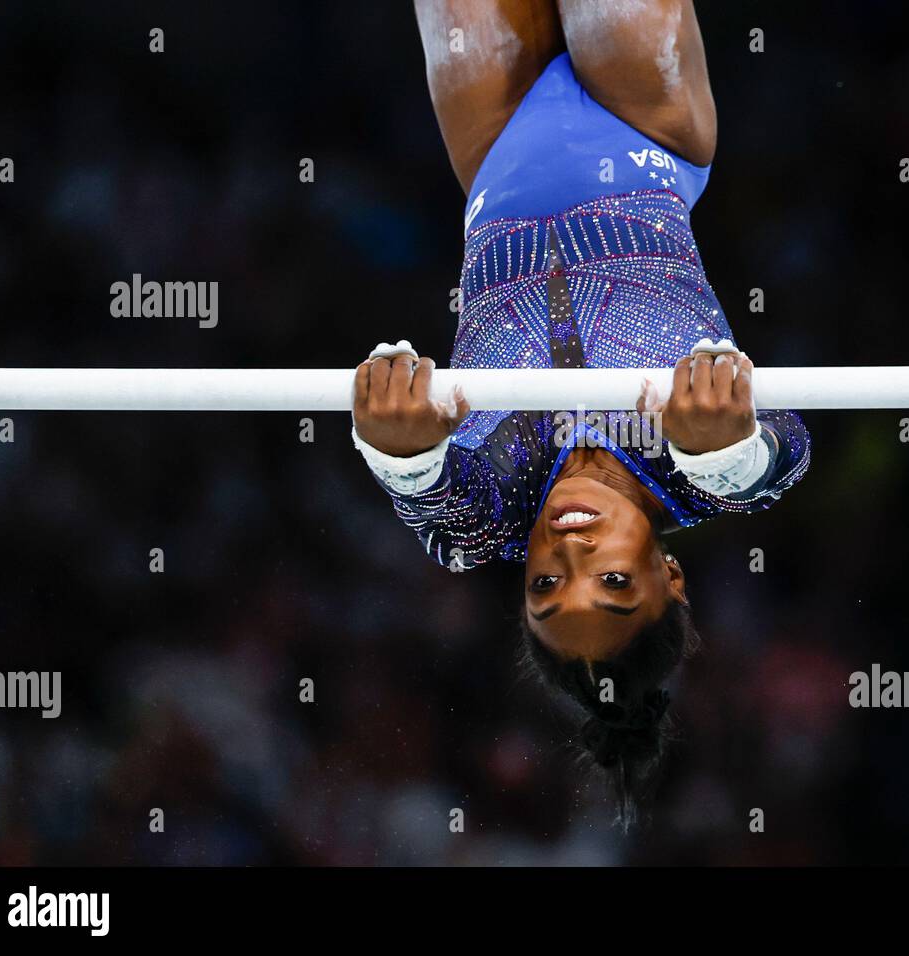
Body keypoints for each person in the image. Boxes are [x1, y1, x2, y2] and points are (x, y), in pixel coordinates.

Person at [352, 0, 811, 827]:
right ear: (670, 579)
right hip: (645, 135)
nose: (570, 549)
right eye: (612, 582)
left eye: (544, 586)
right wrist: (722, 451)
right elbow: (780, 457)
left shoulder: (482, 517)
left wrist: (400, 446)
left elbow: (424, 495)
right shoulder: (702, 482)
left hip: (494, 158)